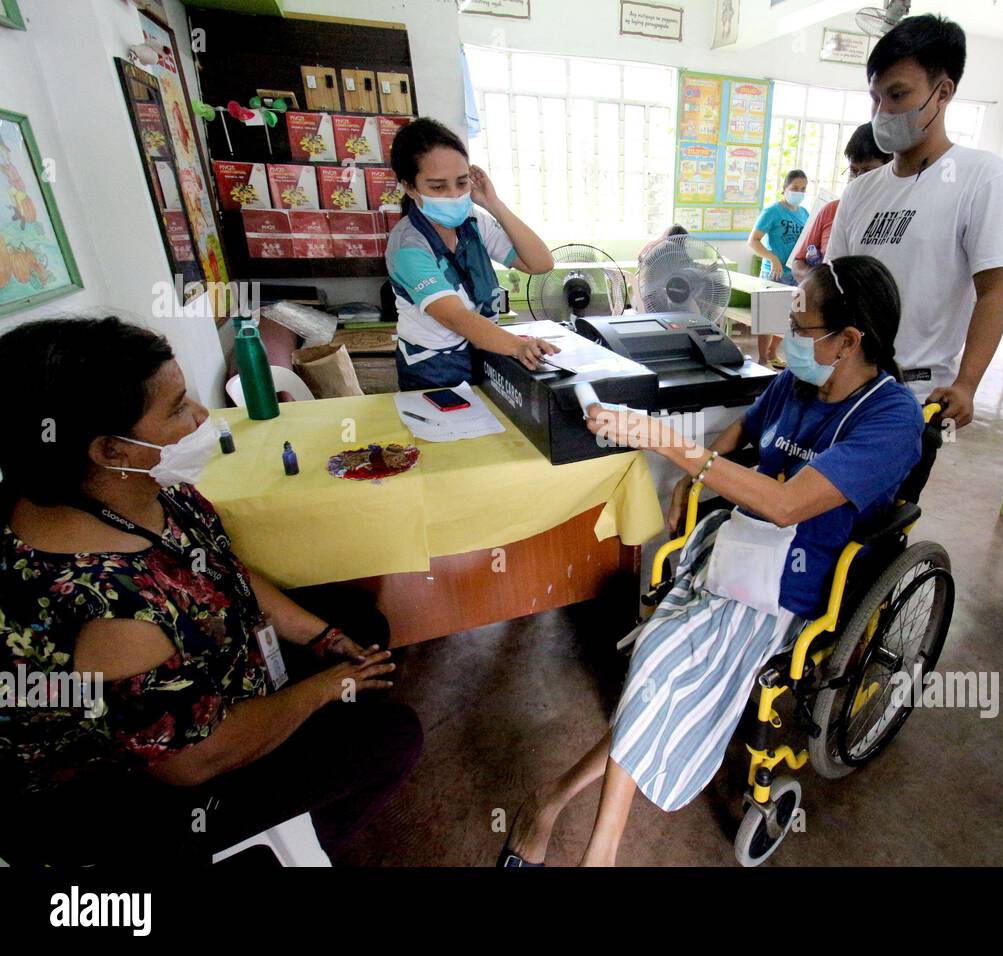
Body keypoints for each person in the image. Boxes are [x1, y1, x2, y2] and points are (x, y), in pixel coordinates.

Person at [497, 256, 924, 866]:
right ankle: (552, 806)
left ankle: (589, 845)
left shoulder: (890, 418)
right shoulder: (796, 383)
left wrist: (664, 440)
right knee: (657, 669)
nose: (785, 338)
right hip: (731, 557)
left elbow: (785, 506)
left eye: (800, 326)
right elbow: (744, 429)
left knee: (657, 665)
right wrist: (686, 484)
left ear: (849, 340)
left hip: (794, 589)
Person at [0, 317, 423, 865]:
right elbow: (190, 761)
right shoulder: (113, 612)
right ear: (110, 449)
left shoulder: (137, 489)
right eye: (177, 408)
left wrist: (324, 638)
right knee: (390, 737)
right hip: (128, 788)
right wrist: (326, 687)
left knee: (358, 623)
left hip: (205, 680)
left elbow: (223, 569)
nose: (201, 415)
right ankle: (306, 841)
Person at [827, 14, 1003, 427]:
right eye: (876, 98)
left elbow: (993, 292)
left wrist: (967, 383)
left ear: (943, 92)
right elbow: (835, 285)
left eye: (898, 95)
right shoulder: (862, 190)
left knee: (893, 491)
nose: (883, 111)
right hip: (845, 380)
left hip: (917, 393)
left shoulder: (982, 177)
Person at [386, 117, 557, 390]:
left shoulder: (473, 221)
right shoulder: (408, 247)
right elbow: (455, 317)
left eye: (462, 182)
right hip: (433, 368)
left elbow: (540, 263)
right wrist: (518, 346)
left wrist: (493, 203)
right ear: (409, 186)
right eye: (438, 187)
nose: (454, 195)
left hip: (484, 351)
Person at [790, 123, 891, 283]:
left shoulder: (895, 213)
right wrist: (822, 282)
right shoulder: (832, 210)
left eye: (867, 171)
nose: (858, 178)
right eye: (853, 170)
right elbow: (798, 263)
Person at [748, 169, 810, 367]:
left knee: (790, 319)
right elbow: (753, 241)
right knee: (768, 318)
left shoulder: (804, 213)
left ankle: (773, 353)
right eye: (794, 188)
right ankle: (763, 359)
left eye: (803, 189)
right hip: (774, 273)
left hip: (795, 273)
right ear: (784, 189)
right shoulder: (773, 211)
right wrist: (772, 258)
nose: (798, 192)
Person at [632, 223, 688, 313]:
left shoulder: (653, 246)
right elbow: (687, 269)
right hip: (654, 304)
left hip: (639, 299)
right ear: (679, 239)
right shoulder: (670, 250)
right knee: (691, 302)